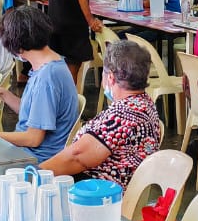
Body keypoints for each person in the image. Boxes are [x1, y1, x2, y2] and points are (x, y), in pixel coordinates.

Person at [43, 40, 161, 186]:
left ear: (110, 77)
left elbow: (76, 157)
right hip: (116, 188)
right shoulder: (145, 103)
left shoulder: (122, 116)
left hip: (101, 195)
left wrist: (35, 174)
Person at [0, 7, 80, 162]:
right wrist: (1, 92)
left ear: (18, 47)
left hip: (37, 159)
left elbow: (33, 138)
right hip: (30, 151)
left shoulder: (46, 78)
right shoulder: (51, 63)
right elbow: (34, 115)